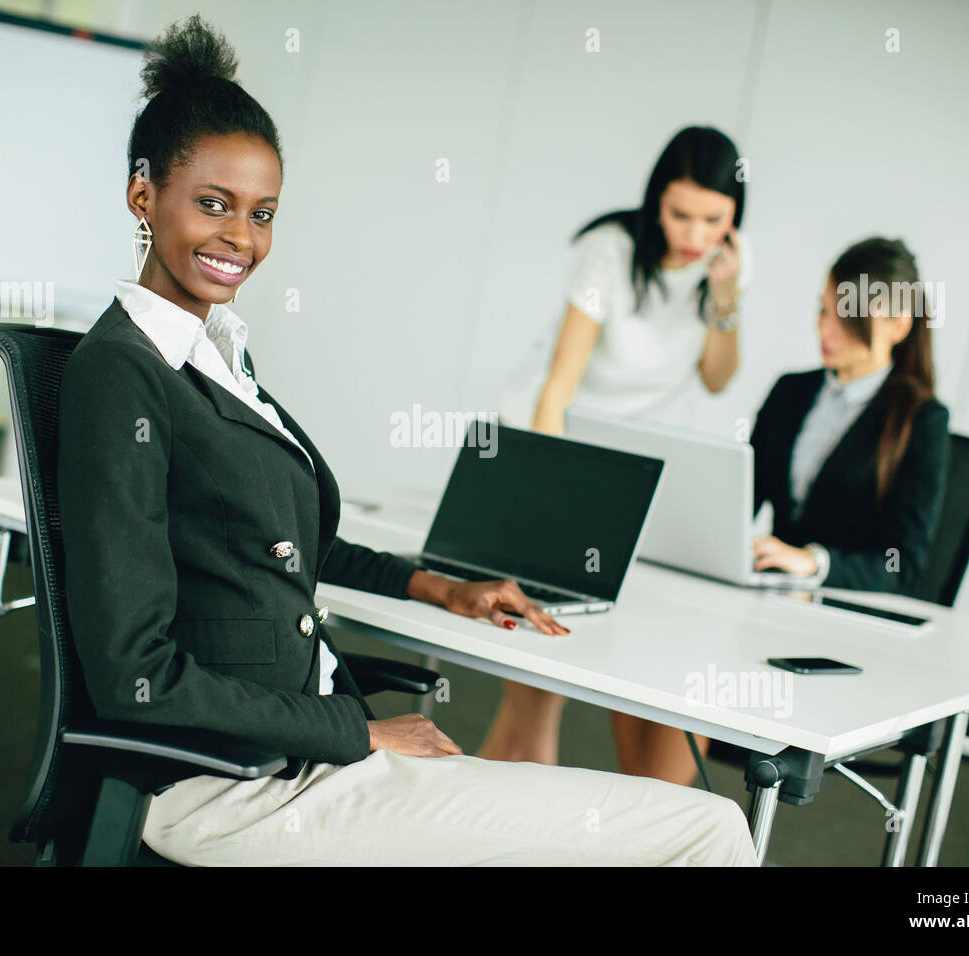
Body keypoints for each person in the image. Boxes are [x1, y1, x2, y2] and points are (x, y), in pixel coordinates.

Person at [55, 15, 757, 865]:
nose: (242, 238)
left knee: (684, 825)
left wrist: (442, 588)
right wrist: (357, 731)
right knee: (706, 828)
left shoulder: (215, 355)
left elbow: (293, 551)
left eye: (263, 212)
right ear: (143, 196)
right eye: (213, 204)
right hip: (239, 785)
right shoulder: (123, 373)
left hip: (308, 759)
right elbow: (137, 674)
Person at [618, 236, 950, 785]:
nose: (826, 330)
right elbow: (739, 504)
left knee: (700, 667)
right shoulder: (791, 392)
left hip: (838, 634)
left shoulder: (920, 421)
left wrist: (812, 561)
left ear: (896, 325)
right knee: (642, 636)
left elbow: (905, 563)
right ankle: (646, 820)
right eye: (823, 311)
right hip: (766, 609)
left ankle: (642, 822)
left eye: (848, 318)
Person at [483, 126, 752, 766]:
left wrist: (726, 301)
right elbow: (556, 393)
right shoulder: (611, 251)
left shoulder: (727, 269)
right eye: (679, 213)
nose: (693, 233)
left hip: (615, 473)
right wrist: (551, 502)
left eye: (712, 218)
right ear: (655, 201)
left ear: (735, 215)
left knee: (564, 667)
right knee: (538, 682)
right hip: (545, 447)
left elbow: (717, 379)